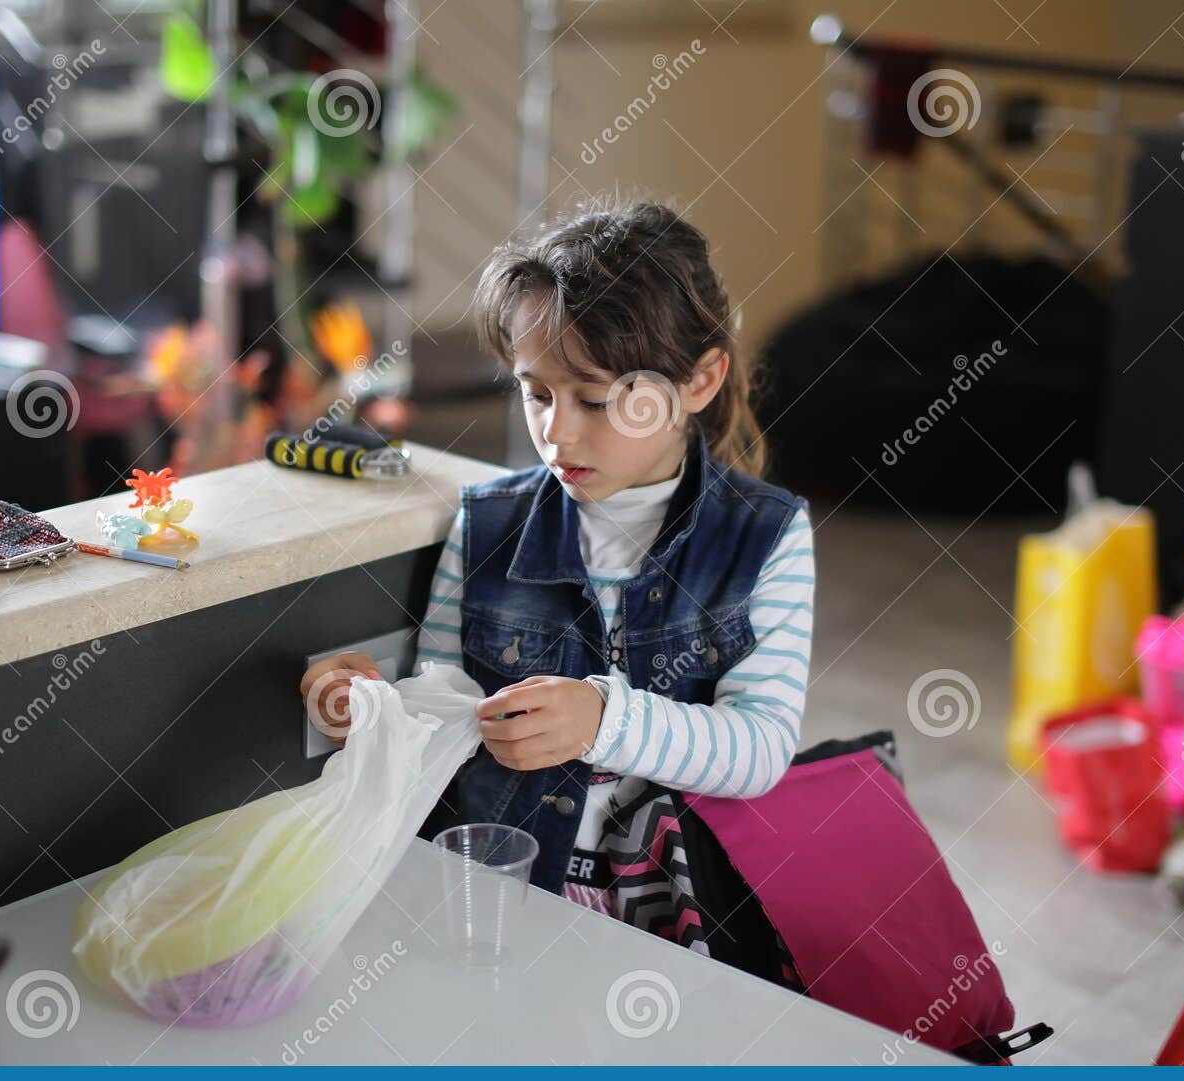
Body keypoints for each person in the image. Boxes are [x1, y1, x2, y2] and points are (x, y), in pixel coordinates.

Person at [301, 199, 815, 973]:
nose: (556, 432)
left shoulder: (765, 535)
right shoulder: (489, 523)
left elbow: (762, 747)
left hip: (675, 921)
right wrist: (371, 708)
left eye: (596, 400)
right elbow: (446, 697)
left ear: (700, 380)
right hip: (504, 895)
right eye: (536, 393)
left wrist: (603, 720)